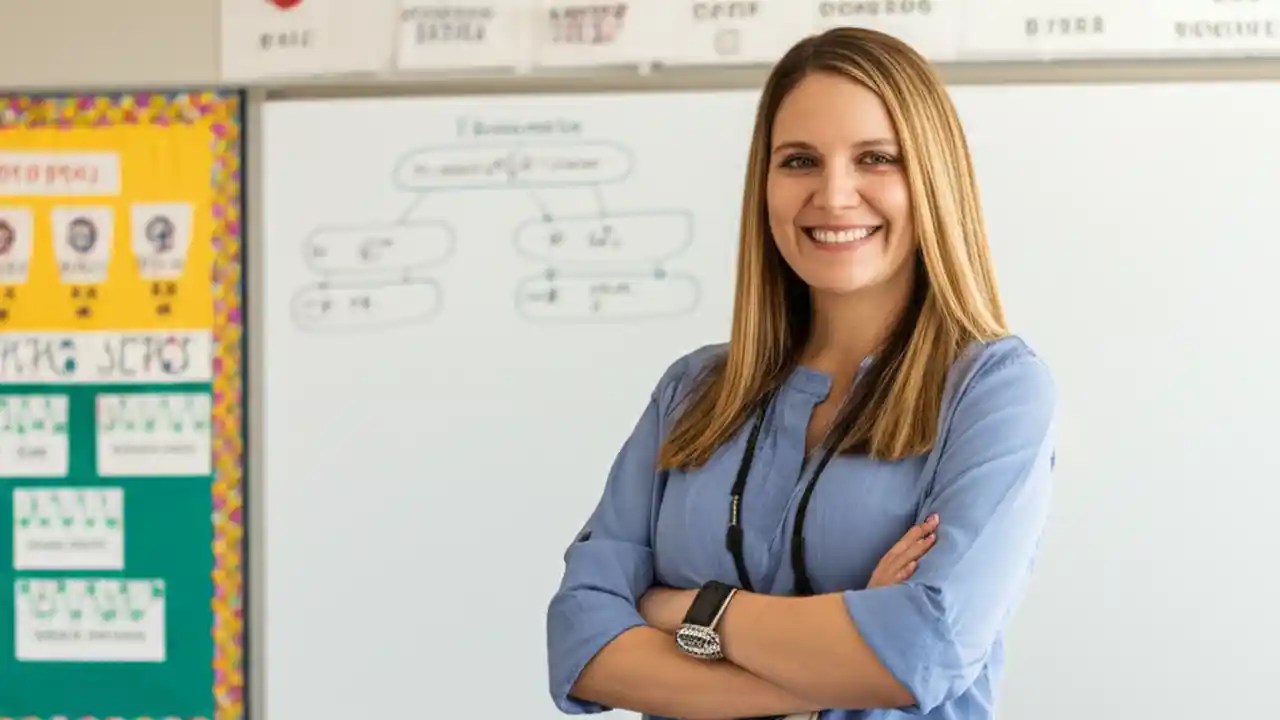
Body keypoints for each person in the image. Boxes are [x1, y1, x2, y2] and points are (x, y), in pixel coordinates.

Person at [545, 26, 1057, 720]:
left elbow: (926, 648)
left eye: (876, 158)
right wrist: (845, 655)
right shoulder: (691, 392)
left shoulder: (994, 391)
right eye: (799, 161)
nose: (834, 195)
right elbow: (582, 639)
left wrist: (685, 609)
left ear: (934, 180)